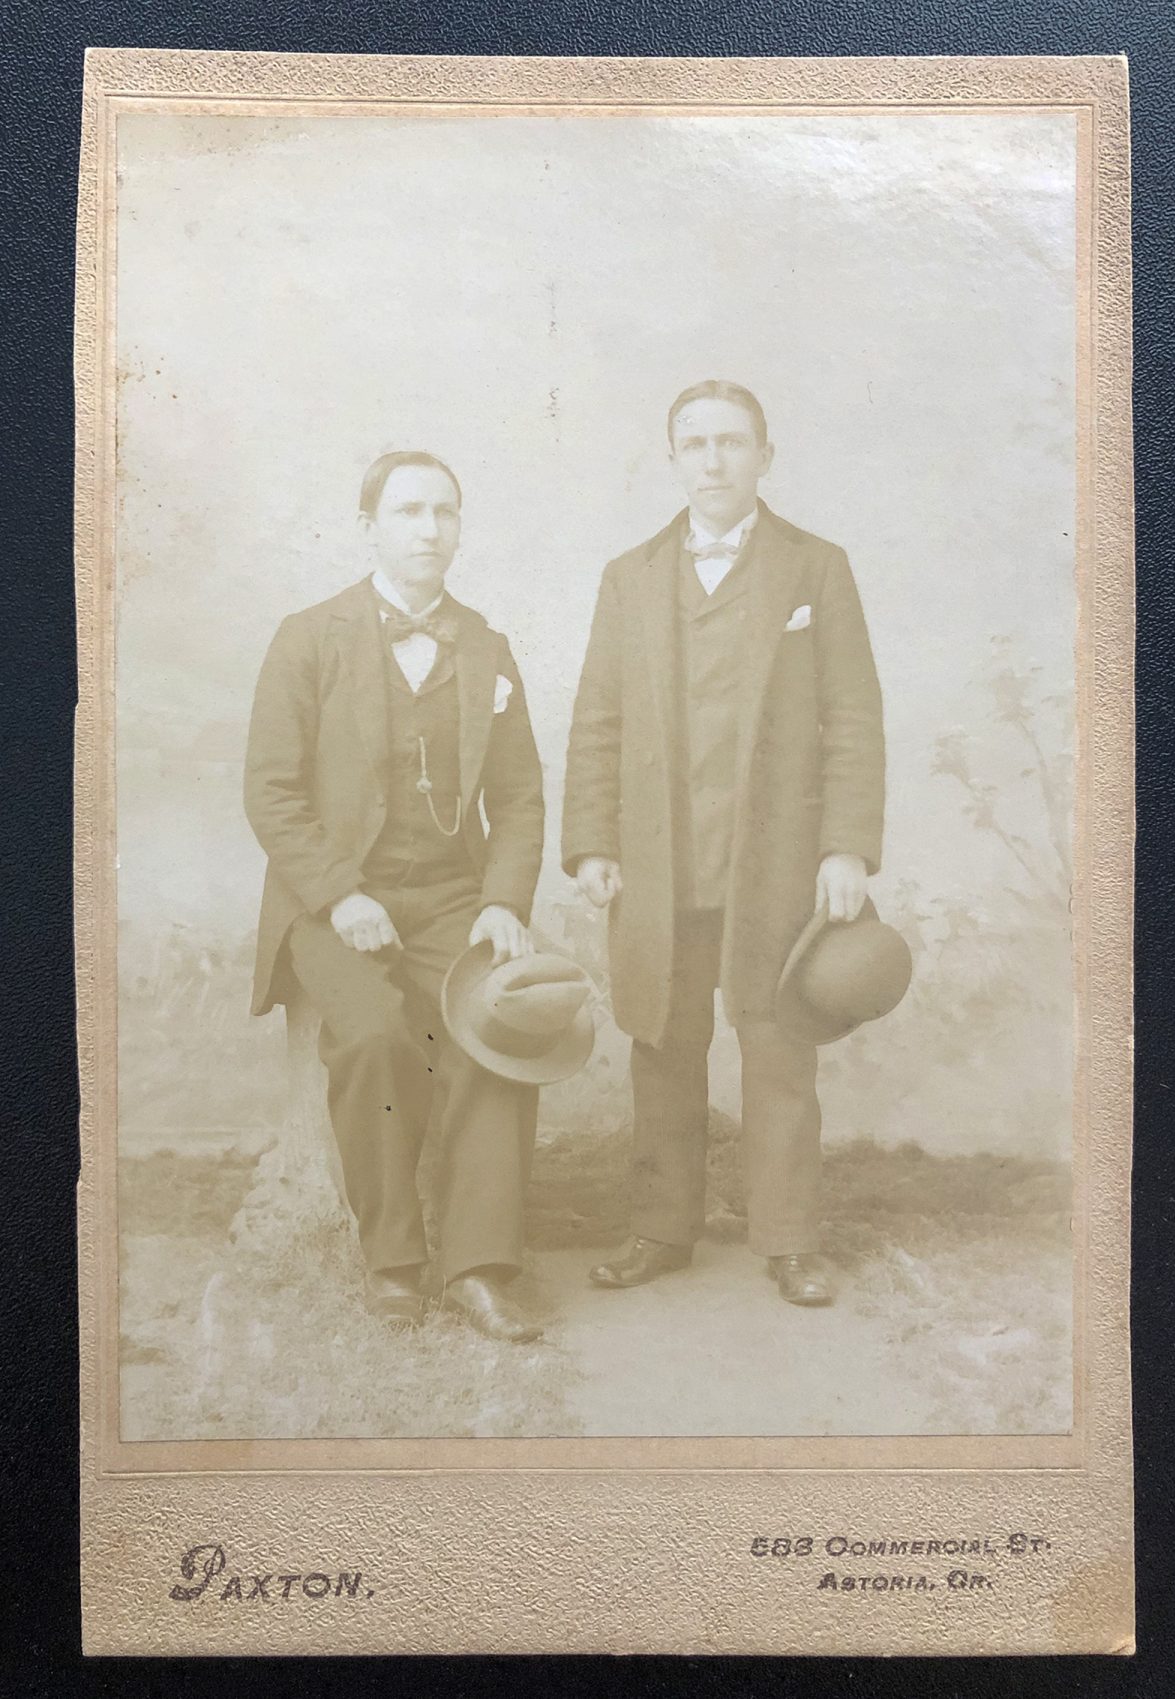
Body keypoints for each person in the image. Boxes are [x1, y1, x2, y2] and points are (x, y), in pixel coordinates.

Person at [562, 380, 885, 1307]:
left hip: (774, 862)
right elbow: (599, 718)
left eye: (733, 443)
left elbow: (853, 716)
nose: (714, 460)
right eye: (695, 444)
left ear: (765, 457)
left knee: (778, 1045)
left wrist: (847, 847)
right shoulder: (630, 576)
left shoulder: (815, 568)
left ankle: (789, 1238)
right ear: (672, 460)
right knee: (662, 1043)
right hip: (659, 865)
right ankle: (662, 1228)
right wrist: (590, 842)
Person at [245, 450, 546, 1343]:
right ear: (369, 524)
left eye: (444, 512)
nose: (428, 529)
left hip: (454, 896)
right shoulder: (310, 635)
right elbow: (270, 791)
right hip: (334, 903)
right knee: (375, 1036)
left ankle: (480, 1267)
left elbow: (522, 795)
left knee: (500, 1029)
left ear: (459, 527)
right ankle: (394, 1262)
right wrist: (339, 896)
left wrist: (502, 899)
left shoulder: (487, 646)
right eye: (408, 511)